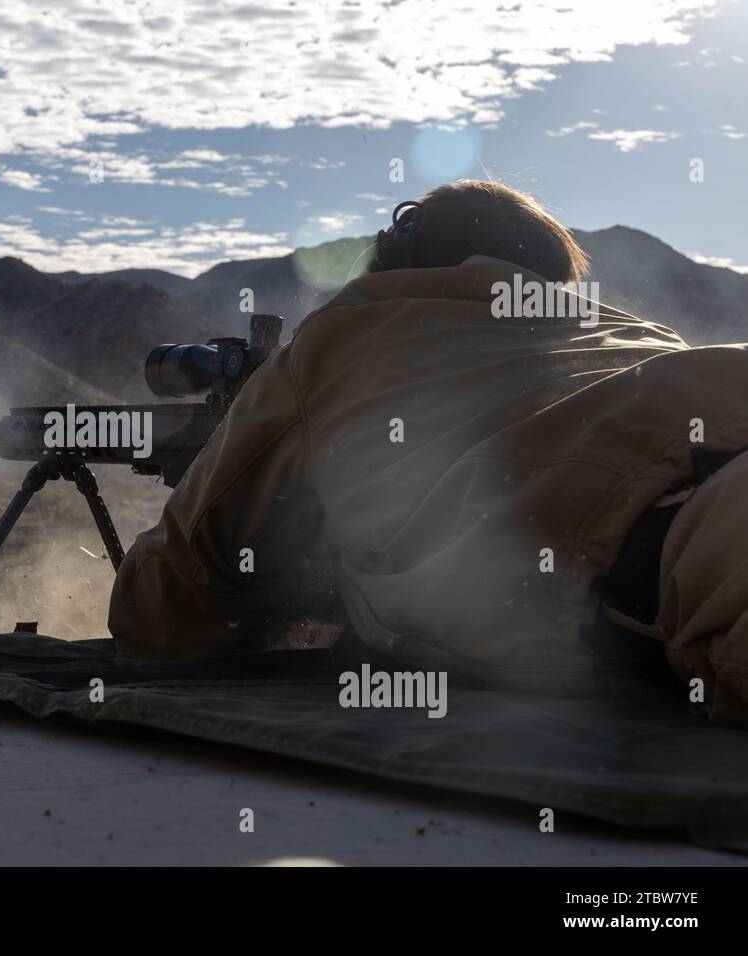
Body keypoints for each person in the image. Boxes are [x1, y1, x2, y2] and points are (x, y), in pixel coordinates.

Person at [108, 180, 748, 724]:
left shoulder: (339, 338)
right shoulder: (638, 335)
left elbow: (165, 609)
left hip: (696, 544)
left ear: (398, 268)